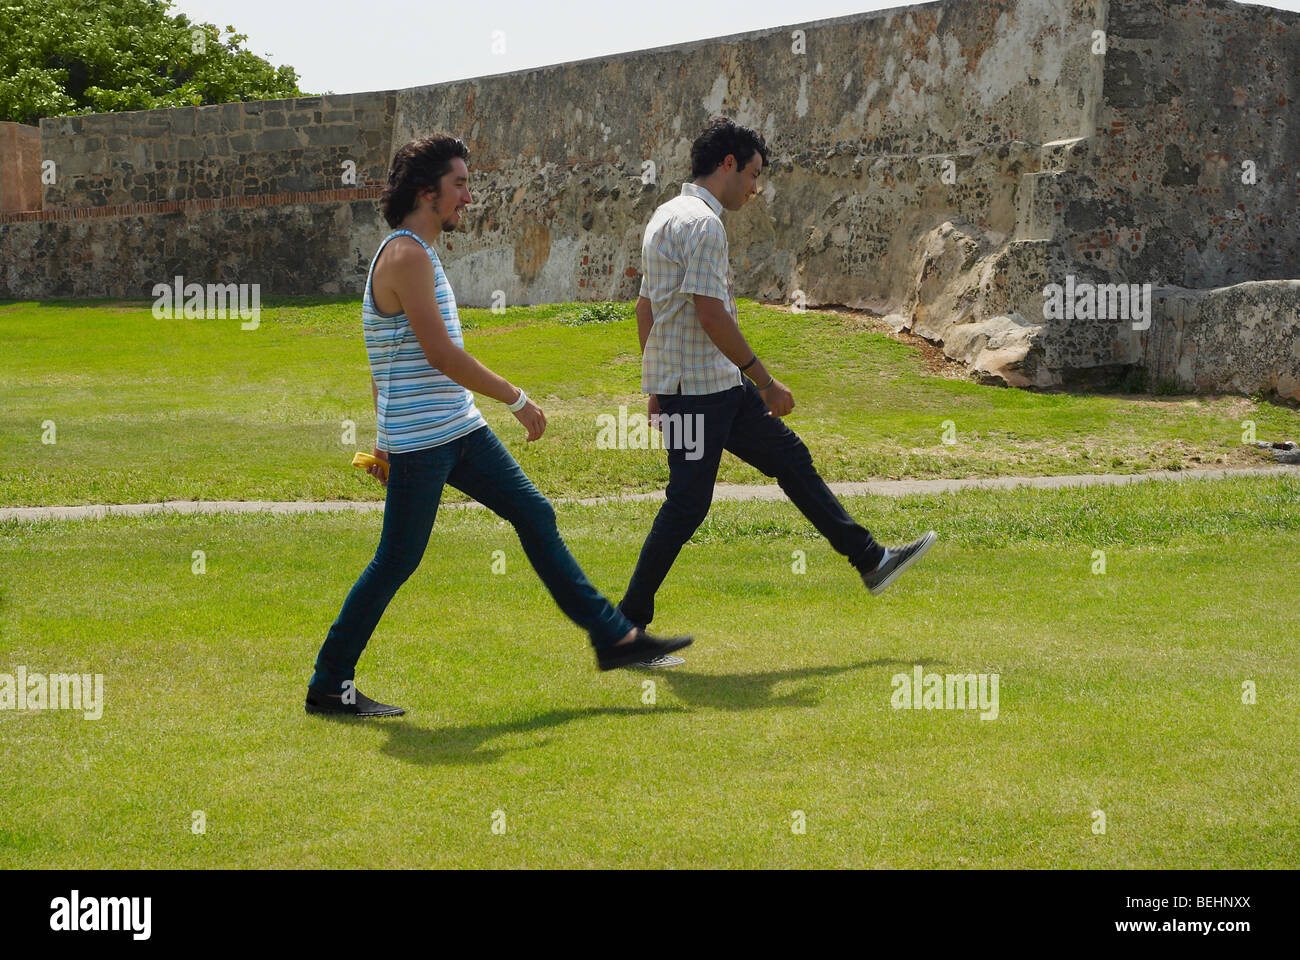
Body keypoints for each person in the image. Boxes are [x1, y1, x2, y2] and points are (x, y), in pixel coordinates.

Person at [306, 135, 691, 717]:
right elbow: (439, 354)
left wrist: (383, 435)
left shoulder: (420, 253)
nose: (468, 194)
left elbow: (386, 360)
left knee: (534, 513)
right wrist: (515, 398)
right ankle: (329, 683)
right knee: (397, 559)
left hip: (456, 430)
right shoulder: (406, 255)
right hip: (426, 441)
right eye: (458, 184)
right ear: (425, 191)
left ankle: (614, 638)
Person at [617, 117, 937, 648]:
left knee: (790, 460)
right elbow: (711, 314)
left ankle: (871, 559)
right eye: (753, 174)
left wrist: (656, 387)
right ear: (728, 165)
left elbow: (645, 307)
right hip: (703, 393)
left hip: (705, 387)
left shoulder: (663, 217)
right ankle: (625, 628)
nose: (755, 188)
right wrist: (765, 382)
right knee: (686, 505)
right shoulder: (703, 224)